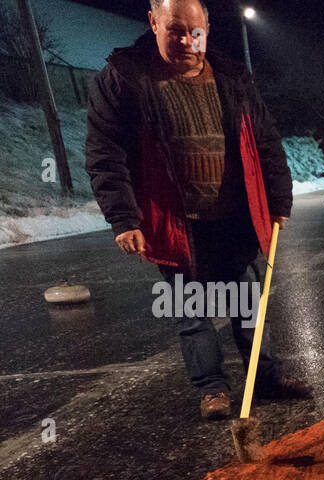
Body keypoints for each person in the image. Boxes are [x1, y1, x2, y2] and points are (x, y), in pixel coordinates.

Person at [85, 0, 311, 421]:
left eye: (195, 31)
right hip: (173, 220)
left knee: (248, 305)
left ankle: (265, 379)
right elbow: (105, 153)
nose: (187, 41)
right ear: (153, 22)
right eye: (175, 30)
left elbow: (266, 141)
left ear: (207, 26)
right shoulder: (125, 79)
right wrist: (123, 218)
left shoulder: (231, 77)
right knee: (191, 311)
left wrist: (279, 202)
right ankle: (212, 389)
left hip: (234, 218)